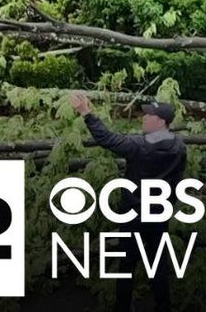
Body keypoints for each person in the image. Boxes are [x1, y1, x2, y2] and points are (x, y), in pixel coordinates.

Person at [70, 93, 187, 312]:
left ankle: (122, 307)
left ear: (161, 122)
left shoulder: (139, 147)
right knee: (157, 262)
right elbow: (177, 180)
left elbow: (106, 138)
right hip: (159, 214)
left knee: (127, 263)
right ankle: (164, 306)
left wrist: (86, 112)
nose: (144, 118)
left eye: (149, 115)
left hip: (134, 214)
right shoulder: (179, 147)